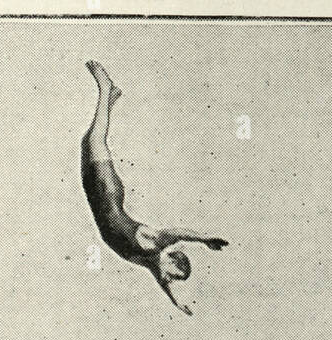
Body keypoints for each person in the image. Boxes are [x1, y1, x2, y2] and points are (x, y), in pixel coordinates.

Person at [82, 61, 228, 316]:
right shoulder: (156, 244)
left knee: (88, 141)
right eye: (173, 274)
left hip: (99, 199)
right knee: (96, 140)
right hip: (106, 192)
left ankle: (112, 98)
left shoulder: (152, 264)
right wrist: (205, 239)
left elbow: (165, 285)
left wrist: (178, 303)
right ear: (172, 259)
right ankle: (105, 89)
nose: (168, 278)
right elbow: (180, 233)